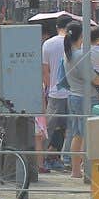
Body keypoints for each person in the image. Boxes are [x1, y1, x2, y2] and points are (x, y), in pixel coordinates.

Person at [64, 24, 99, 177]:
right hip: (87, 98)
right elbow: (96, 80)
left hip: (74, 96)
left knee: (77, 134)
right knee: (89, 134)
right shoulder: (80, 56)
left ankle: (76, 170)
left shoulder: (68, 54)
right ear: (80, 36)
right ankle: (87, 170)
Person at [41, 16, 71, 172]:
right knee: (72, 128)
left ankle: (43, 158)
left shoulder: (48, 44)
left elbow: (45, 71)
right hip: (74, 93)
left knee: (49, 128)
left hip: (54, 92)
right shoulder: (76, 42)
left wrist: (49, 86)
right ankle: (68, 159)